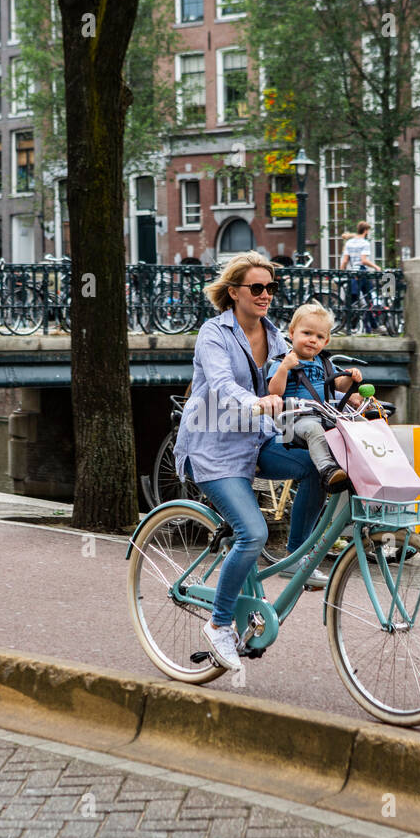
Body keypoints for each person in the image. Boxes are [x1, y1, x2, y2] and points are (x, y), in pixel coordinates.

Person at [173, 251, 323, 670]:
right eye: (256, 288)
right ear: (234, 291)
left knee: (317, 466)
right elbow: (221, 384)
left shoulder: (276, 336)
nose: (265, 295)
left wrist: (334, 395)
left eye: (270, 288)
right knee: (253, 533)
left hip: (257, 441)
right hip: (215, 450)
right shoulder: (213, 334)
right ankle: (219, 626)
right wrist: (256, 403)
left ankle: (299, 556)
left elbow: (297, 377)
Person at [263, 302, 361, 494]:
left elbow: (338, 384)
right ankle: (327, 470)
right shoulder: (283, 360)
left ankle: (367, 461)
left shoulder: (323, 363)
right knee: (313, 429)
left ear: (326, 341)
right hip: (293, 420)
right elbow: (274, 391)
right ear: (292, 333)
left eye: (319, 336)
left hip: (324, 415)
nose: (312, 340)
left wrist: (351, 377)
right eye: (306, 333)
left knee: (358, 423)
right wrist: (284, 368)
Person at [340, 220, 383, 330]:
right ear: (365, 231)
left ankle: (349, 326)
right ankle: (373, 326)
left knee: (353, 301)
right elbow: (363, 260)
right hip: (362, 272)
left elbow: (344, 261)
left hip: (352, 273)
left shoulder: (349, 243)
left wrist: (342, 272)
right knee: (369, 298)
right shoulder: (365, 243)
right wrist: (376, 267)